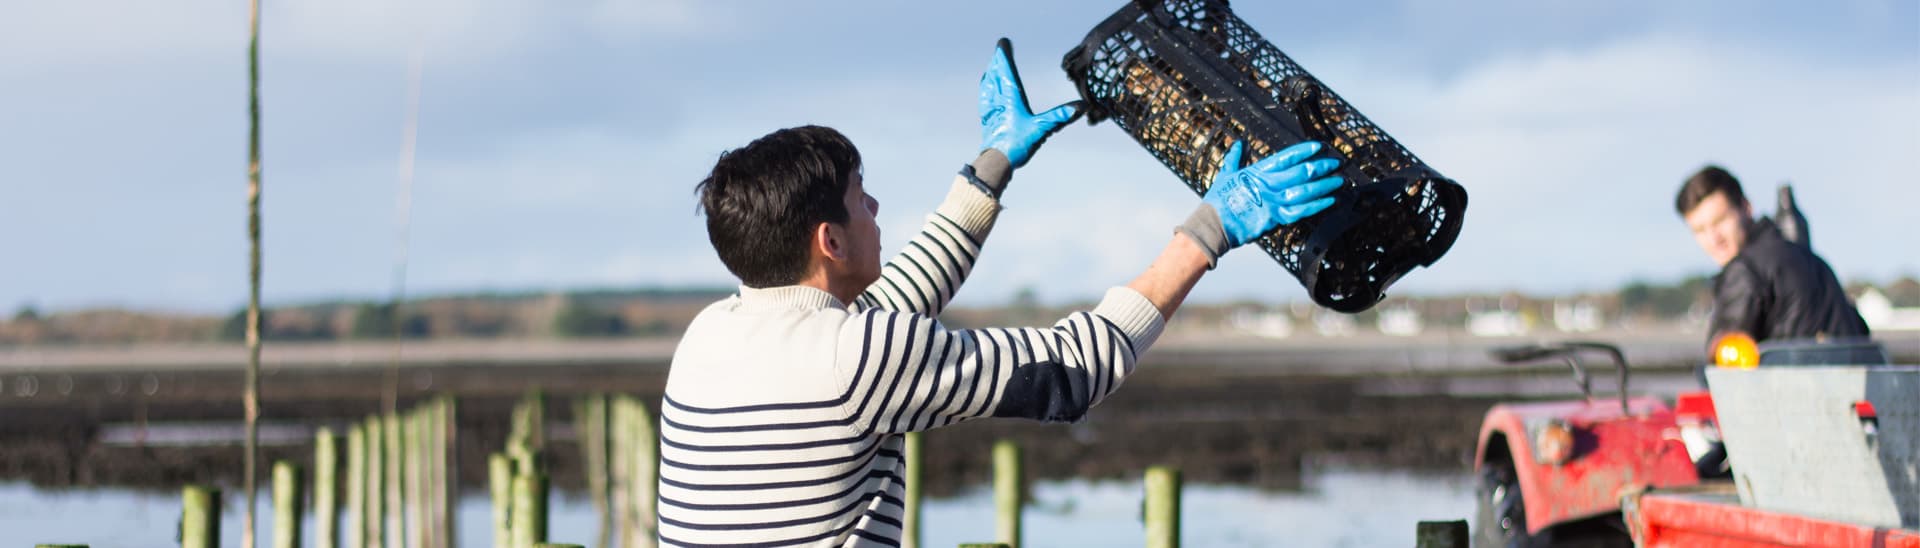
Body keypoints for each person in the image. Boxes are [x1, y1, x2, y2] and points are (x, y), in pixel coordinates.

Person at [658, 39, 1343, 547]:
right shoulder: (856, 357)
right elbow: (1074, 368)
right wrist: (1210, 229)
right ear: (828, 240)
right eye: (861, 198)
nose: (876, 208)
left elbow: (885, 314)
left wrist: (993, 164)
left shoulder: (709, 337)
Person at [1675, 165, 1869, 348]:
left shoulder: (1744, 270)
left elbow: (1726, 361)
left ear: (1746, 207)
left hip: (1791, 373)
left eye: (1720, 220)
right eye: (1700, 230)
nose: (1714, 238)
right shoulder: (1817, 264)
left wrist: (1716, 351)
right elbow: (1860, 330)